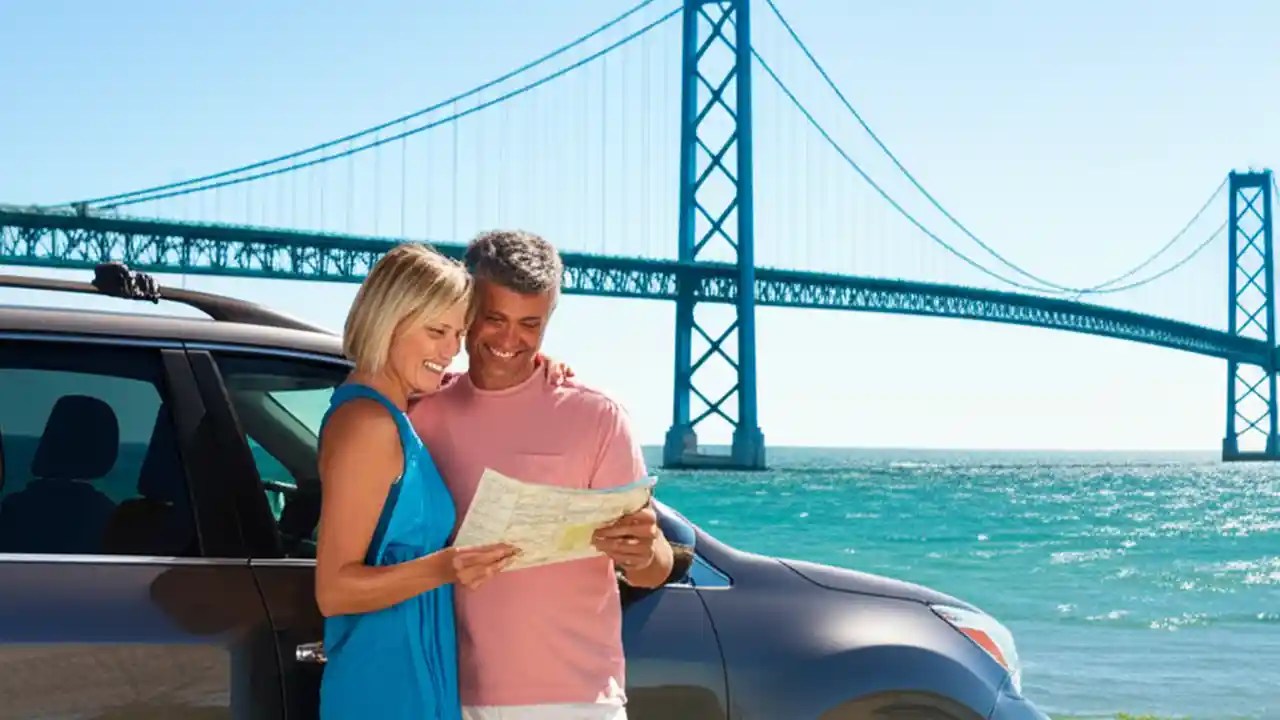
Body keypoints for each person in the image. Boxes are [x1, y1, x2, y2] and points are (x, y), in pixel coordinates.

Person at [409, 229, 676, 720]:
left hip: (574, 701)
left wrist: (644, 550)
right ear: (465, 309)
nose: (511, 340)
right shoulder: (421, 413)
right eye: (495, 319)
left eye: (530, 324)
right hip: (447, 695)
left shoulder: (597, 416)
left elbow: (655, 567)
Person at [313, 243, 519, 720]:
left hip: (412, 681)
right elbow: (334, 590)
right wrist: (447, 567)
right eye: (436, 332)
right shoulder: (368, 423)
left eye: (458, 333)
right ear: (390, 322)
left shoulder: (394, 415)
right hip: (384, 689)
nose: (451, 351)